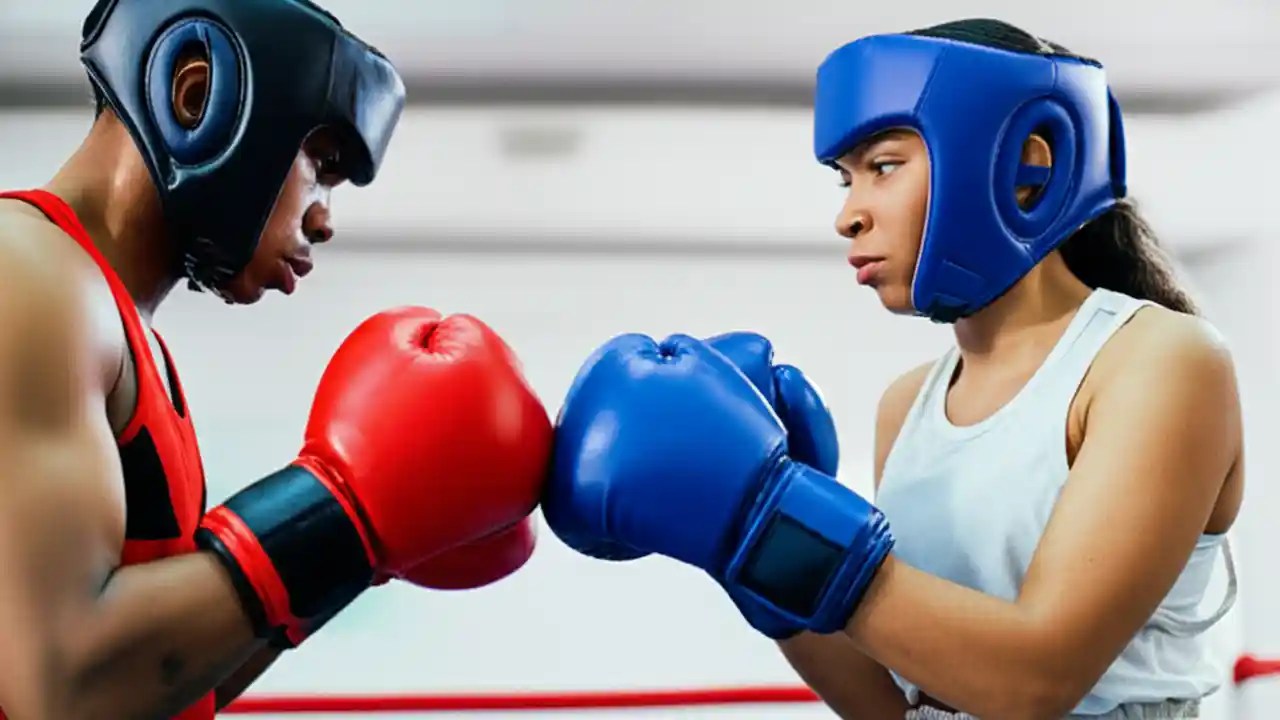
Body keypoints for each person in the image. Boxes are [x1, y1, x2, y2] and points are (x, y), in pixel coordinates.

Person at [542, 18, 1242, 720]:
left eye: (883, 166)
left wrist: (775, 516)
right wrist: (747, 556)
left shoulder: (1159, 361)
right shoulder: (907, 404)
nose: (848, 216)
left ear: (1027, 165)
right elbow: (898, 705)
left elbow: (1035, 681)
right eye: (844, 180)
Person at [0, 1, 552, 718]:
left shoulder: (128, 339)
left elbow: (166, 685)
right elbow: (62, 686)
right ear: (199, 96)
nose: (324, 218)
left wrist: (359, 548)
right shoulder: (30, 277)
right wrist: (342, 510)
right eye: (320, 165)